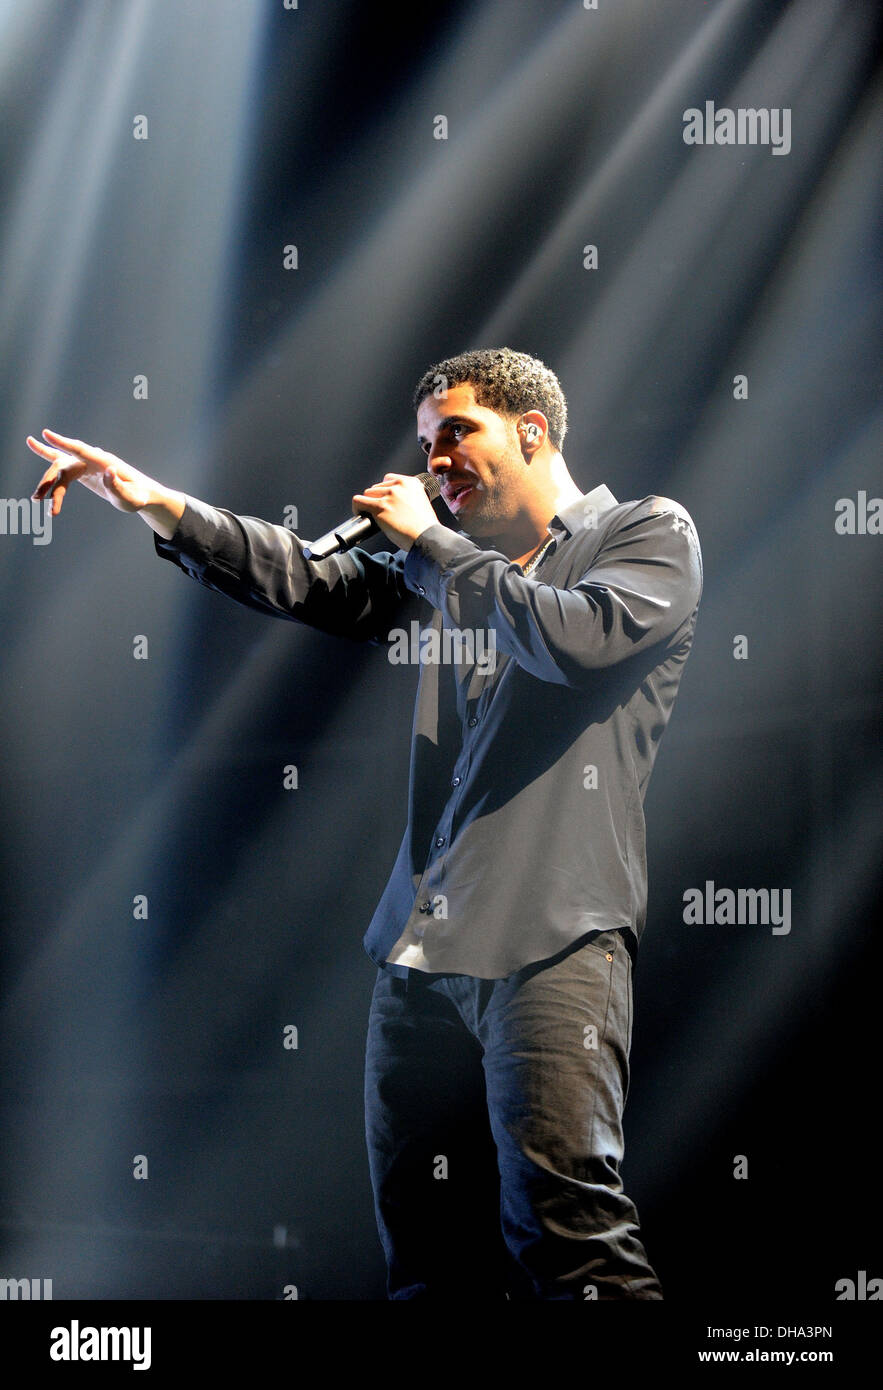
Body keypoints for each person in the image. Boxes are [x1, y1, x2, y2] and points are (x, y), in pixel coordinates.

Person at [28, 346, 702, 1300]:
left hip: (553, 941)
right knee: (428, 1259)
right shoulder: (445, 572)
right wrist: (153, 500)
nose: (435, 461)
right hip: (421, 952)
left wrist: (431, 545)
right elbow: (305, 577)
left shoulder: (643, 534)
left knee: (569, 1241)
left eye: (457, 434)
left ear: (532, 429)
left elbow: (574, 640)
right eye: (427, 443)